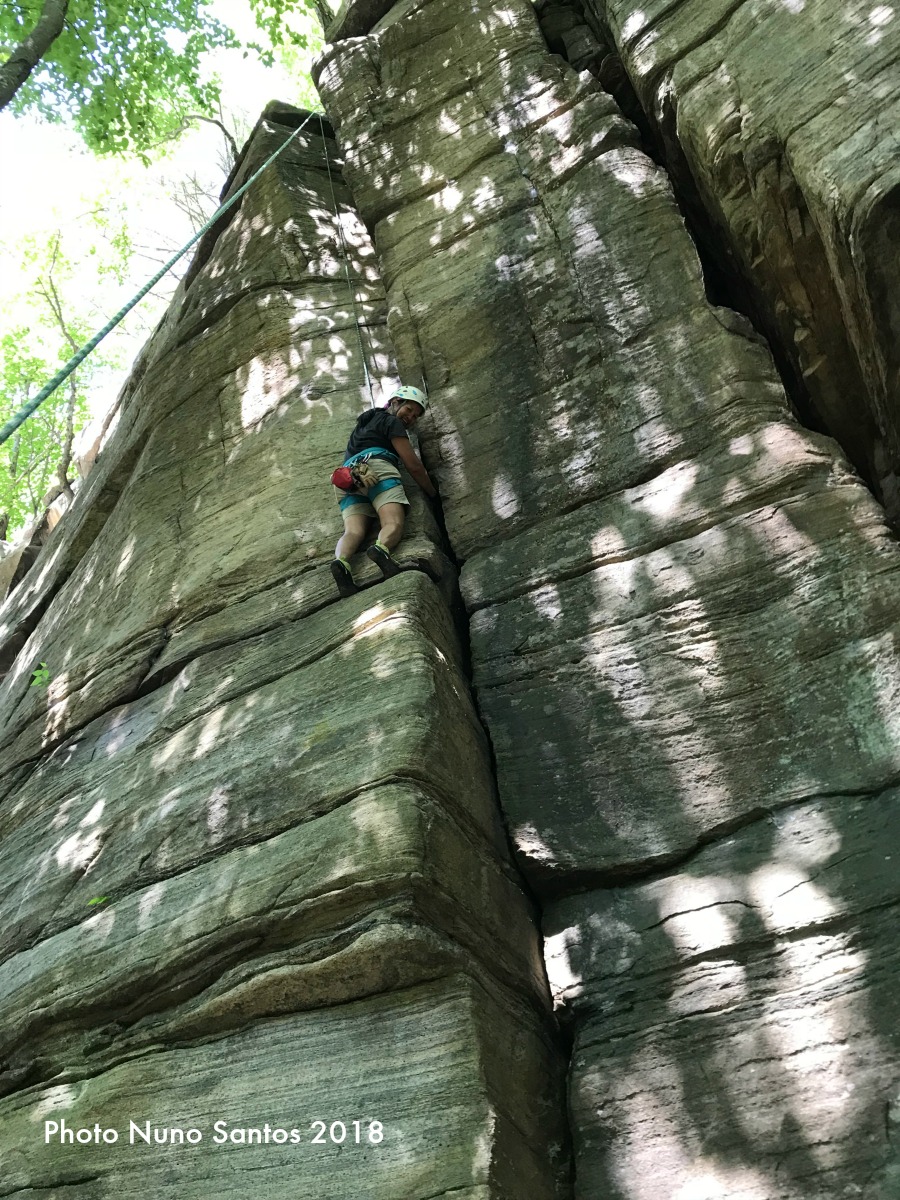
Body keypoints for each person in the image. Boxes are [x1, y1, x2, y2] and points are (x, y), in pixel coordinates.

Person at [331, 385, 437, 597]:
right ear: (396, 401)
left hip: (347, 480)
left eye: (415, 416)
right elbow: (413, 465)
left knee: (353, 532)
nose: (410, 417)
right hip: (376, 471)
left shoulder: (363, 424)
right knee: (393, 523)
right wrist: (433, 494)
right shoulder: (392, 422)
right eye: (409, 409)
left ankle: (341, 562)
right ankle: (381, 550)